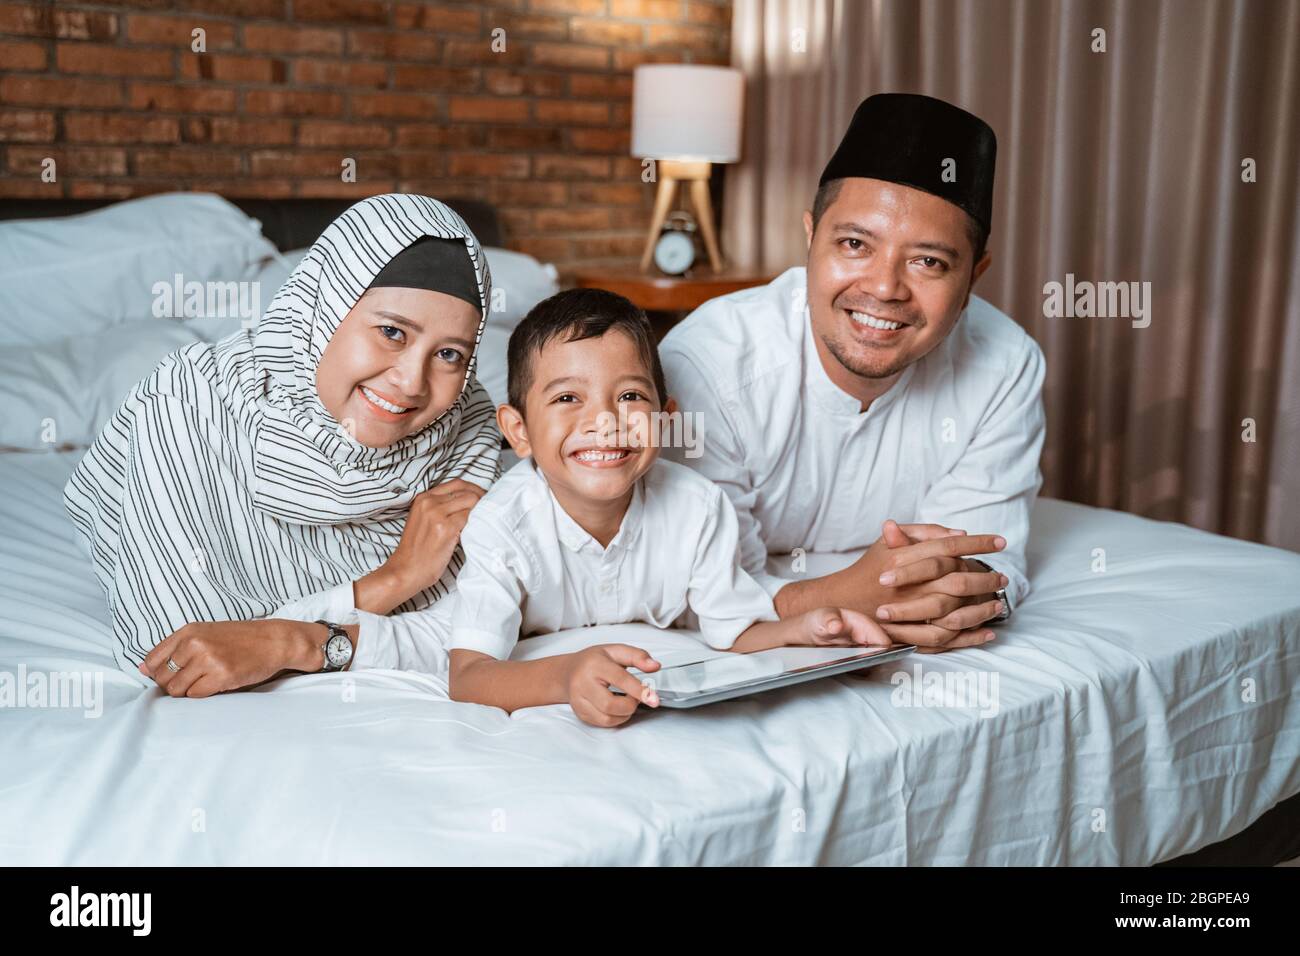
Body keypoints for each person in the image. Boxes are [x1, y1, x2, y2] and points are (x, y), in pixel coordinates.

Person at [64, 194, 501, 696]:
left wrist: (285, 639)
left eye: (449, 353)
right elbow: (177, 659)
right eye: (391, 332)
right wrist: (395, 579)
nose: (411, 382)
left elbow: (488, 622)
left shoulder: (465, 423)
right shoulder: (195, 398)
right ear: (323, 308)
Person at [661, 92, 1046, 653]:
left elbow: (984, 559)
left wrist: (949, 600)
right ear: (811, 237)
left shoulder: (1006, 365)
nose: (885, 287)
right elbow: (697, 584)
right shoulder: (708, 365)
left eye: (928, 262)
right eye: (854, 244)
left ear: (973, 279)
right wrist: (851, 593)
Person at [445, 288, 892, 727]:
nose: (604, 422)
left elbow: (734, 631)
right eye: (567, 399)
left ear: (667, 418)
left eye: (630, 397)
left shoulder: (699, 507)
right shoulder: (502, 523)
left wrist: (807, 632)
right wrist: (565, 677)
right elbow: (469, 676)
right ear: (518, 431)